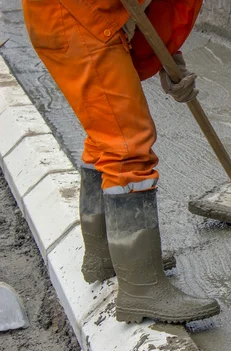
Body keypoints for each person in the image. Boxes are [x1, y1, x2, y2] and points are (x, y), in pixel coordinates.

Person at [22, 0, 220, 323]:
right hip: (78, 17)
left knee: (106, 131)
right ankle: (142, 287)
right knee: (127, 144)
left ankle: (105, 254)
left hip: (79, 15)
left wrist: (169, 59)